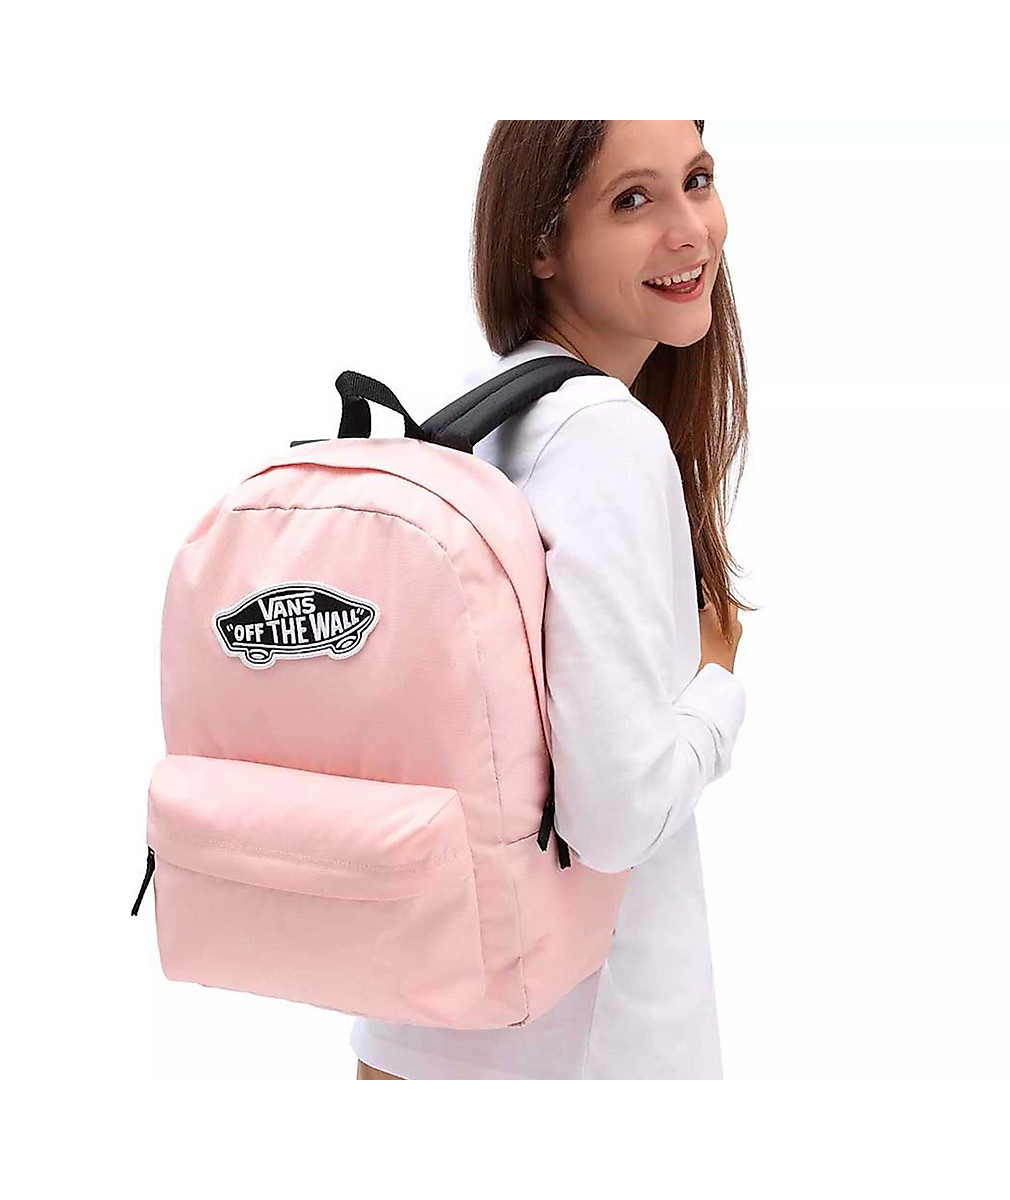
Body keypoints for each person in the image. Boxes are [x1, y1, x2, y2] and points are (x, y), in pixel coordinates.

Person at [352, 119, 751, 1079]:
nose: (689, 229)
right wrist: (717, 686)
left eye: (697, 180)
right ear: (541, 243)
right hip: (584, 1050)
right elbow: (613, 819)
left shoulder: (476, 413)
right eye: (632, 199)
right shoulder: (605, 438)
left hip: (417, 1024)